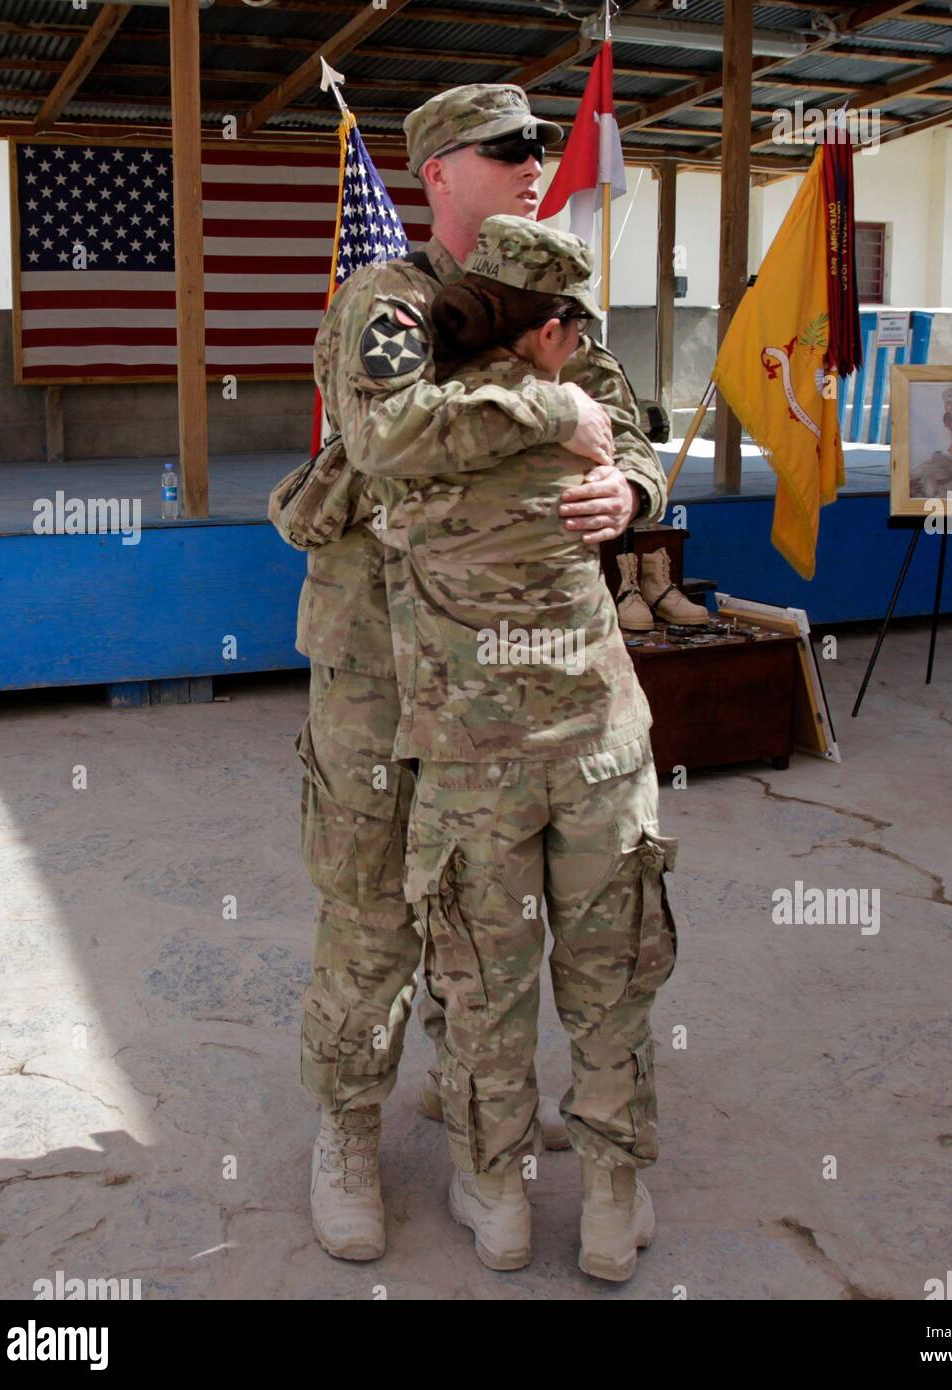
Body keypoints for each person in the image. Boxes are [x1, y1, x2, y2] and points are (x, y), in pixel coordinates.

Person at [296, 84, 669, 1263]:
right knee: (367, 906)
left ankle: (479, 1130)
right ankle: (347, 1130)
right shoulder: (386, 301)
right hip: (376, 662)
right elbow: (386, 436)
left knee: (478, 910)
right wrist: (548, 406)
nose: (533, 161)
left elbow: (631, 430)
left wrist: (632, 491)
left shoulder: (552, 296)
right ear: (439, 171)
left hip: (505, 676)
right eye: (508, 150)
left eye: (539, 146)